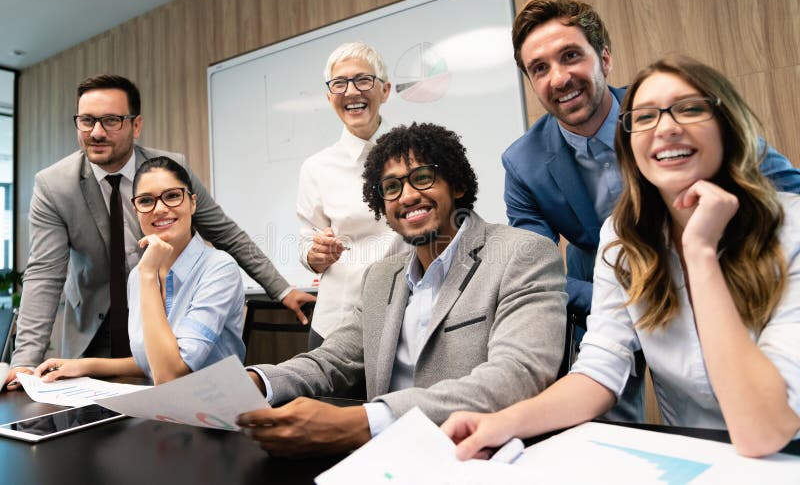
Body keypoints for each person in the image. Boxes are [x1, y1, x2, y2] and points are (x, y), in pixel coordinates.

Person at [442, 55, 800, 459]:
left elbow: (763, 431)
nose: (666, 127)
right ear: (630, 145)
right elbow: (598, 371)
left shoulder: (792, 229)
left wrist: (700, 253)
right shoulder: (623, 236)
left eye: (689, 108)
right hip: (700, 456)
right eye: (645, 117)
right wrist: (501, 423)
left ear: (728, 126)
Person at [501, 0, 800, 421]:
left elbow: (783, 190)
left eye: (571, 56)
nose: (560, 77)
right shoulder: (524, 164)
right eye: (540, 68)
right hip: (605, 280)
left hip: (729, 264)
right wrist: (631, 294)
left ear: (604, 58)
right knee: (606, 399)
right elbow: (534, 271)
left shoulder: (674, 117)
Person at [236, 123, 567, 457]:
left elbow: (516, 376)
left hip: (473, 459)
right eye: (391, 187)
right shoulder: (381, 276)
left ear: (458, 184)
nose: (407, 196)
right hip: (384, 458)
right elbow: (333, 359)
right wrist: (260, 381)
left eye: (422, 177)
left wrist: (363, 422)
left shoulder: (522, 254)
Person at [5, 75, 314, 389]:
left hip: (170, 325)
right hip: (93, 334)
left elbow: (225, 232)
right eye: (87, 121)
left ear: (136, 125)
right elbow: (44, 274)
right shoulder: (54, 185)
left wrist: (282, 289)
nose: (96, 132)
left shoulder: (167, 171)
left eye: (111, 120)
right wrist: (24, 364)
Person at [33, 157, 245, 384]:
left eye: (172, 196)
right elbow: (151, 361)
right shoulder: (139, 276)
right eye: (146, 201)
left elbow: (169, 374)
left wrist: (147, 275)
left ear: (192, 203)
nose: (161, 209)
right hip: (163, 408)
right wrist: (84, 365)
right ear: (135, 210)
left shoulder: (219, 269)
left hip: (212, 409)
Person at [297, 42, 405, 349]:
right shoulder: (316, 168)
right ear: (330, 96)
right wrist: (314, 255)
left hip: (404, 322)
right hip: (336, 325)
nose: (351, 91)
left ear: (385, 90)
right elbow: (308, 242)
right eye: (339, 84)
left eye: (363, 80)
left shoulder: (415, 155)